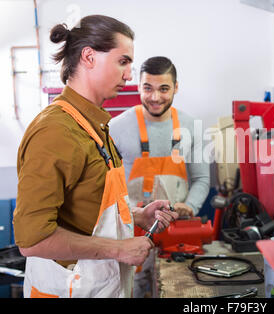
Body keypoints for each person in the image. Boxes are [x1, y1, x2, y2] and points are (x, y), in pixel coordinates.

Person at [13, 15, 178, 298]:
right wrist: (118, 249)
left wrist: (137, 216)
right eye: (122, 61)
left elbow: (85, 210)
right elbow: (32, 239)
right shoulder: (56, 132)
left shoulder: (93, 125)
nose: (129, 75)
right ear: (89, 57)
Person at [109, 56, 210, 297]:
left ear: (176, 87)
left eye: (164, 88)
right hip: (130, 233)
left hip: (177, 234)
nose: (155, 97)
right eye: (148, 88)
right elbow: (104, 185)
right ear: (138, 87)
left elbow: (202, 179)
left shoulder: (192, 126)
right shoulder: (116, 127)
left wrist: (190, 205)